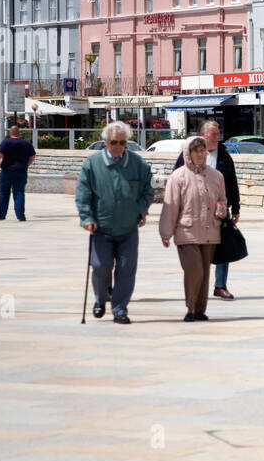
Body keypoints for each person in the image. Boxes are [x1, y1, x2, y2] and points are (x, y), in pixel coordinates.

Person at [75, 122, 152, 324]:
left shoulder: (139, 164)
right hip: (101, 227)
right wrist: (87, 217)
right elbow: (83, 194)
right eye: (113, 142)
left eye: (122, 143)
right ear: (105, 142)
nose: (118, 147)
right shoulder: (92, 165)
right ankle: (101, 299)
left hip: (128, 228)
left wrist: (140, 209)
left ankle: (119, 309)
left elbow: (148, 192)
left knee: (126, 270)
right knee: (100, 266)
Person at [160, 137, 227, 321]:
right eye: (196, 150)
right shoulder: (178, 177)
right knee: (194, 270)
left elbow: (222, 198)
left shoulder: (216, 176)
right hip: (186, 232)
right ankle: (190, 308)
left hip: (210, 232)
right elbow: (170, 206)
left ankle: (200, 310)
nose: (200, 154)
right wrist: (166, 232)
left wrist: (221, 208)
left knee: (204, 273)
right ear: (187, 154)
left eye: (202, 150)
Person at [171, 121, 239, 300]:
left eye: (218, 134)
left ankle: (220, 285)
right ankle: (198, 286)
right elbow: (176, 179)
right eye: (213, 134)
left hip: (219, 209)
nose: (218, 138)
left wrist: (236, 207)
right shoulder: (187, 155)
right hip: (194, 211)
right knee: (197, 251)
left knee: (223, 246)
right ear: (202, 136)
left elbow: (232, 182)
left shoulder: (224, 156)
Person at [0, 124, 37, 221]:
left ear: (10, 133)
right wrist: (26, 165)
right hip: (21, 172)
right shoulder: (26, 143)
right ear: (18, 133)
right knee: (19, 193)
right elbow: (32, 157)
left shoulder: (6, 142)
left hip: (7, 171)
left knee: (3, 192)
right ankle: (21, 216)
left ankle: (1, 215)